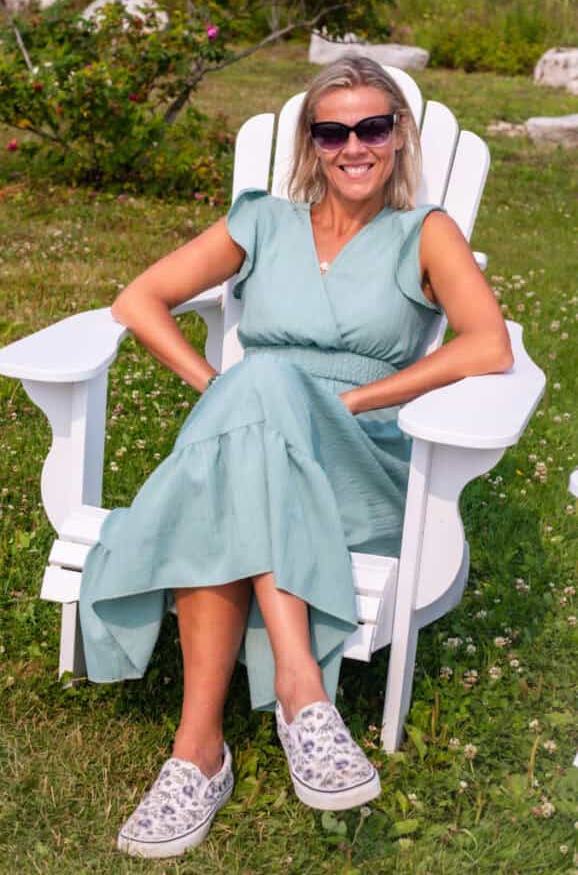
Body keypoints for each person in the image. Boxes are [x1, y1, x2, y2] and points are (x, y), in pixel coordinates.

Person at [78, 56, 512, 859]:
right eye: (334, 130)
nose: (355, 145)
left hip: (355, 457)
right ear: (313, 144)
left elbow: (488, 346)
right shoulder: (262, 221)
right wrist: (216, 384)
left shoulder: (427, 233)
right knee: (254, 403)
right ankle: (282, 706)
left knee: (257, 398)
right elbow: (137, 300)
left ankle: (205, 752)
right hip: (243, 433)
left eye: (372, 127)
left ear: (398, 137)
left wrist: (352, 401)